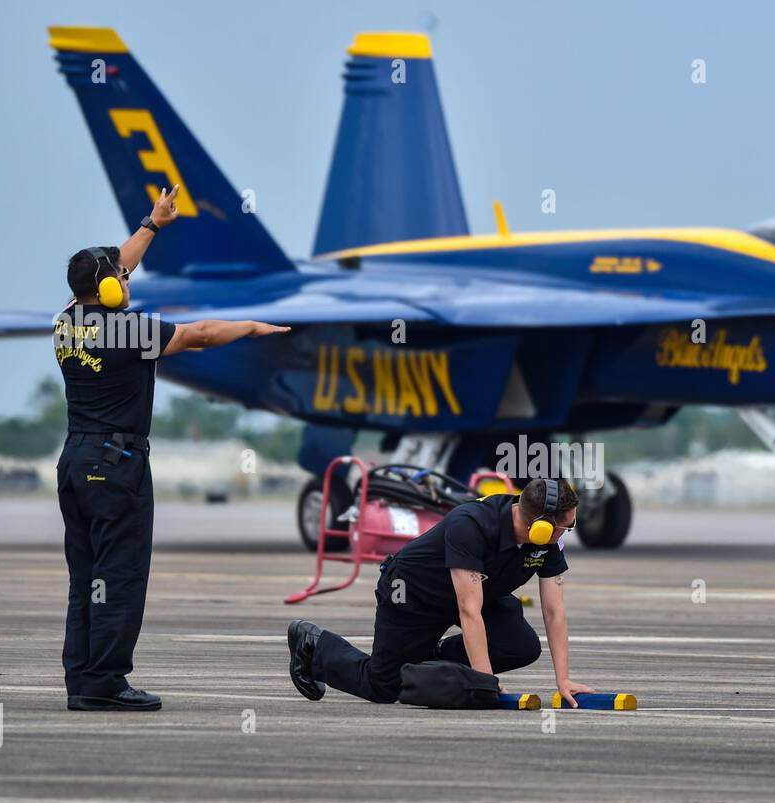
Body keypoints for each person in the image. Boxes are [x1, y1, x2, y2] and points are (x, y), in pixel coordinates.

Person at [56, 184, 291, 711]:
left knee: (85, 578)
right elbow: (202, 333)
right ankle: (106, 684)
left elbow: (115, 273)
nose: (127, 275)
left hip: (75, 460)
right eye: (121, 274)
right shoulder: (131, 331)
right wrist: (251, 326)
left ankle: (82, 679)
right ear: (113, 290)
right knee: (119, 576)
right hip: (117, 466)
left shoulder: (66, 322)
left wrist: (153, 224)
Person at [287, 477, 596, 707]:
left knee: (521, 645)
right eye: (566, 526)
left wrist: (563, 679)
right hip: (413, 595)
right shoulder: (471, 524)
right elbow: (468, 610)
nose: (569, 531)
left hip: (482, 592)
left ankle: (425, 660)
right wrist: (485, 682)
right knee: (383, 687)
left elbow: (554, 611)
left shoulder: (548, 541)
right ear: (540, 526)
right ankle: (315, 646)